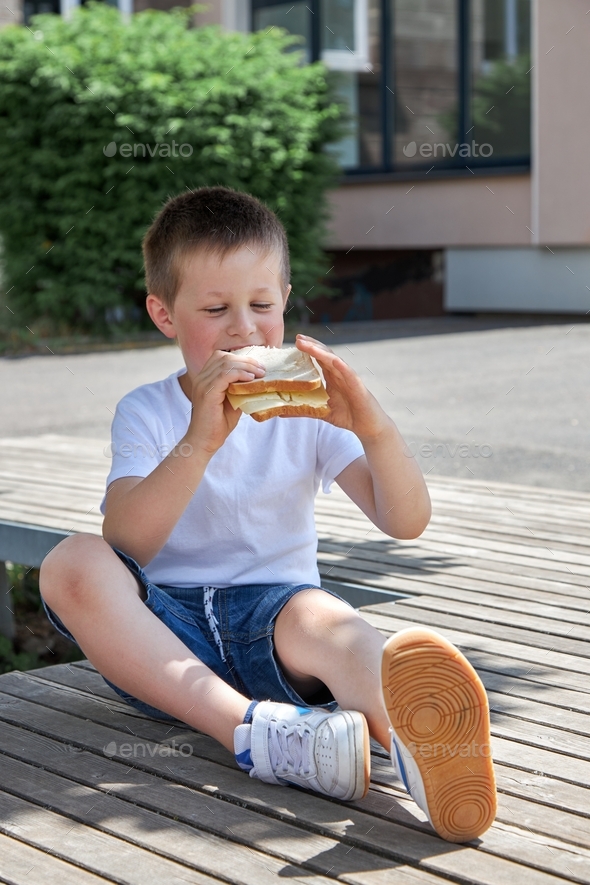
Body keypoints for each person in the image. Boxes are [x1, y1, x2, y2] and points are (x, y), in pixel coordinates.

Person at [39, 186, 496, 843]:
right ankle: (254, 732)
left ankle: (421, 750)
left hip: (279, 624)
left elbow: (406, 520)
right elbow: (127, 540)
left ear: (284, 301)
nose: (244, 330)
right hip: (167, 644)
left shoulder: (309, 409)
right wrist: (201, 438)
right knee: (74, 560)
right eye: (216, 309)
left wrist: (374, 426)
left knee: (329, 619)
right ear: (164, 314)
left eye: (260, 306)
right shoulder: (146, 410)